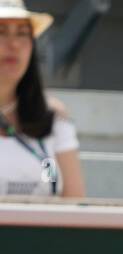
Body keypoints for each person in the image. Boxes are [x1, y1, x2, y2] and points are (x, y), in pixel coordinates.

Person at [0, 0, 85, 199]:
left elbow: (72, 200)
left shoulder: (52, 116)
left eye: (22, 33)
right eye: (1, 31)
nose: (13, 44)